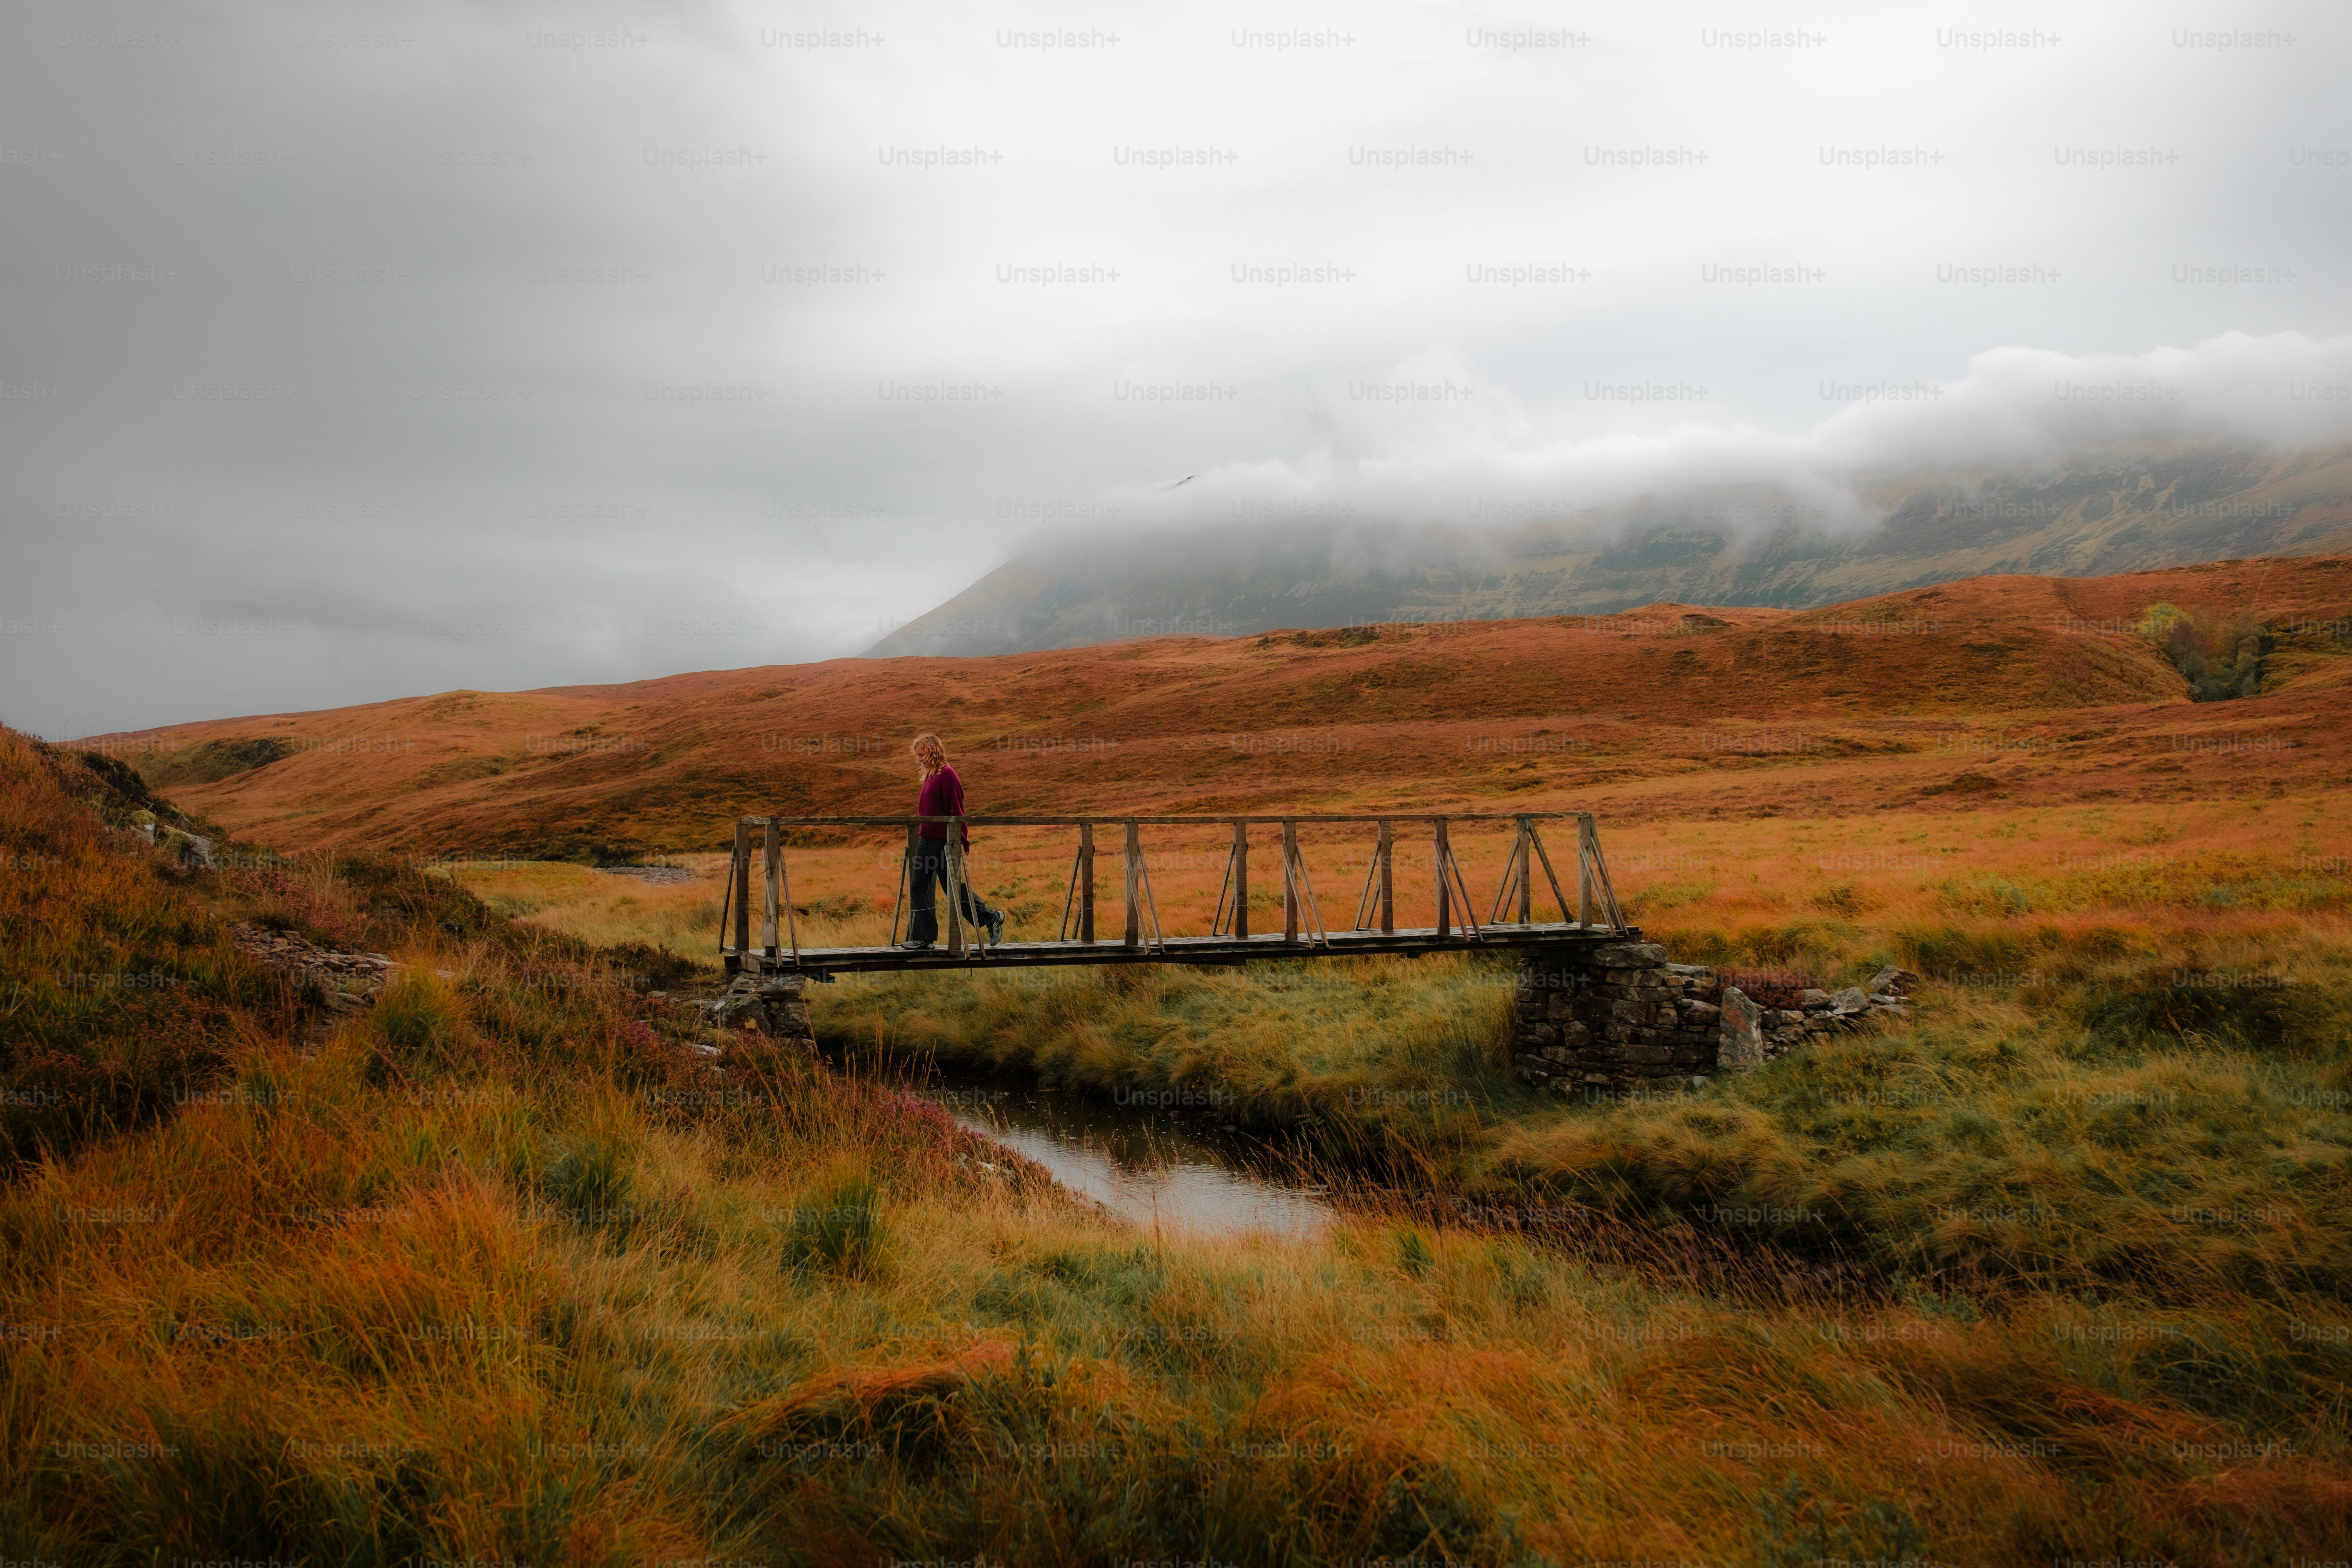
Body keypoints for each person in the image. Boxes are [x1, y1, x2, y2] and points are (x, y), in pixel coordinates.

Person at [901, 733, 1005, 950]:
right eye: (917, 756)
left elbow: (957, 811)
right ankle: (923, 937)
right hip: (925, 841)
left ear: (932, 751)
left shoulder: (948, 775)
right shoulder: (931, 775)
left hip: (944, 843)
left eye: (921, 755)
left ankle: (991, 919)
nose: (918, 759)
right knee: (918, 886)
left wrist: (962, 841)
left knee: (952, 889)